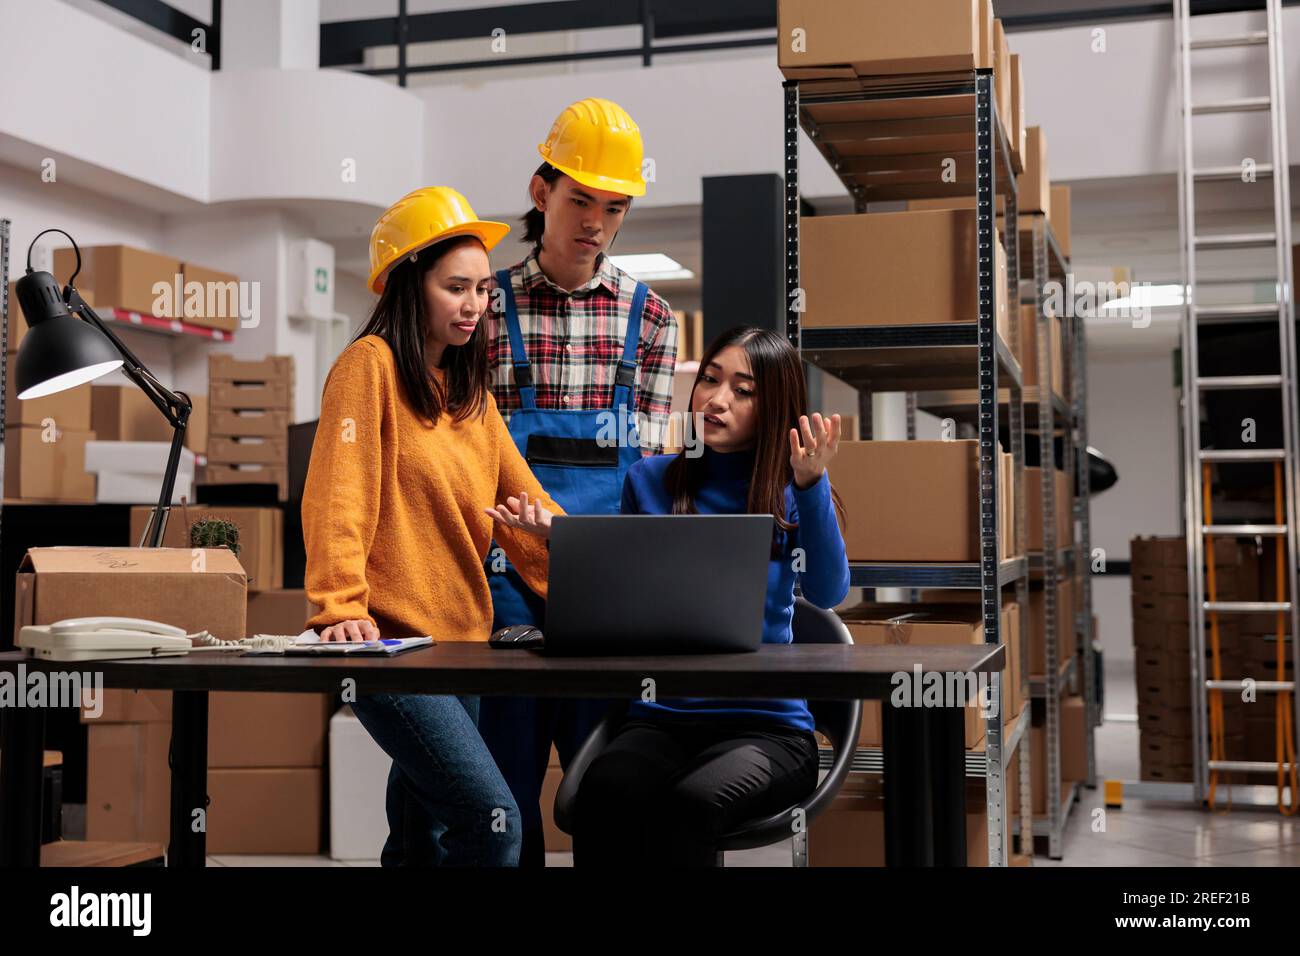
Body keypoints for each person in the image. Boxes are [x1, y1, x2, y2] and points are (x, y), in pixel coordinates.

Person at [493, 326, 849, 866]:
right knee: (606, 794)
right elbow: (623, 595)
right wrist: (562, 539)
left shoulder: (789, 488)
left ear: (774, 406)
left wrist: (810, 483)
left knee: (691, 805)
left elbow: (828, 590)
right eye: (710, 379)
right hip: (663, 719)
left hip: (769, 727)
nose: (717, 398)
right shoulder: (649, 479)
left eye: (743, 390)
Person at [302, 186, 559, 867]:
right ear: (411, 282)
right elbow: (339, 494)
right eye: (456, 287)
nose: (475, 304)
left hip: (462, 645)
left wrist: (573, 556)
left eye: (482, 289)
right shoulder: (370, 367)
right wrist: (338, 606)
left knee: (424, 838)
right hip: (392, 647)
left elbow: (532, 506)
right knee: (493, 824)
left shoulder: (472, 400)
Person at [475, 96, 679, 866]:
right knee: (503, 792)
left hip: (606, 592)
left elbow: (654, 469)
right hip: (502, 589)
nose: (595, 221)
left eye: (613, 206)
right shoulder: (484, 308)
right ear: (541, 193)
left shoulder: (651, 319)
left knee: (607, 793)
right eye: (579, 199)